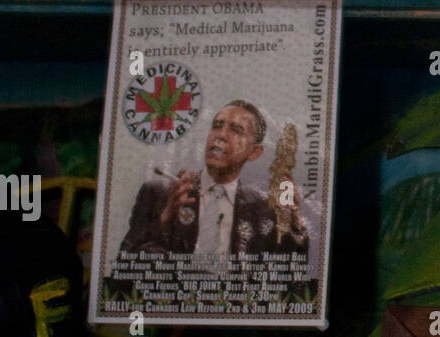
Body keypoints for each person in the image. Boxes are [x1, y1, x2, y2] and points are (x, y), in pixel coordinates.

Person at [120, 100, 308, 256]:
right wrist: (164, 222)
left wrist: (293, 220)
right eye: (217, 126)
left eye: (236, 130)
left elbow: (290, 277)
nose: (221, 136)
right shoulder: (158, 193)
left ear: (255, 152)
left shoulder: (262, 211)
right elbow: (124, 266)